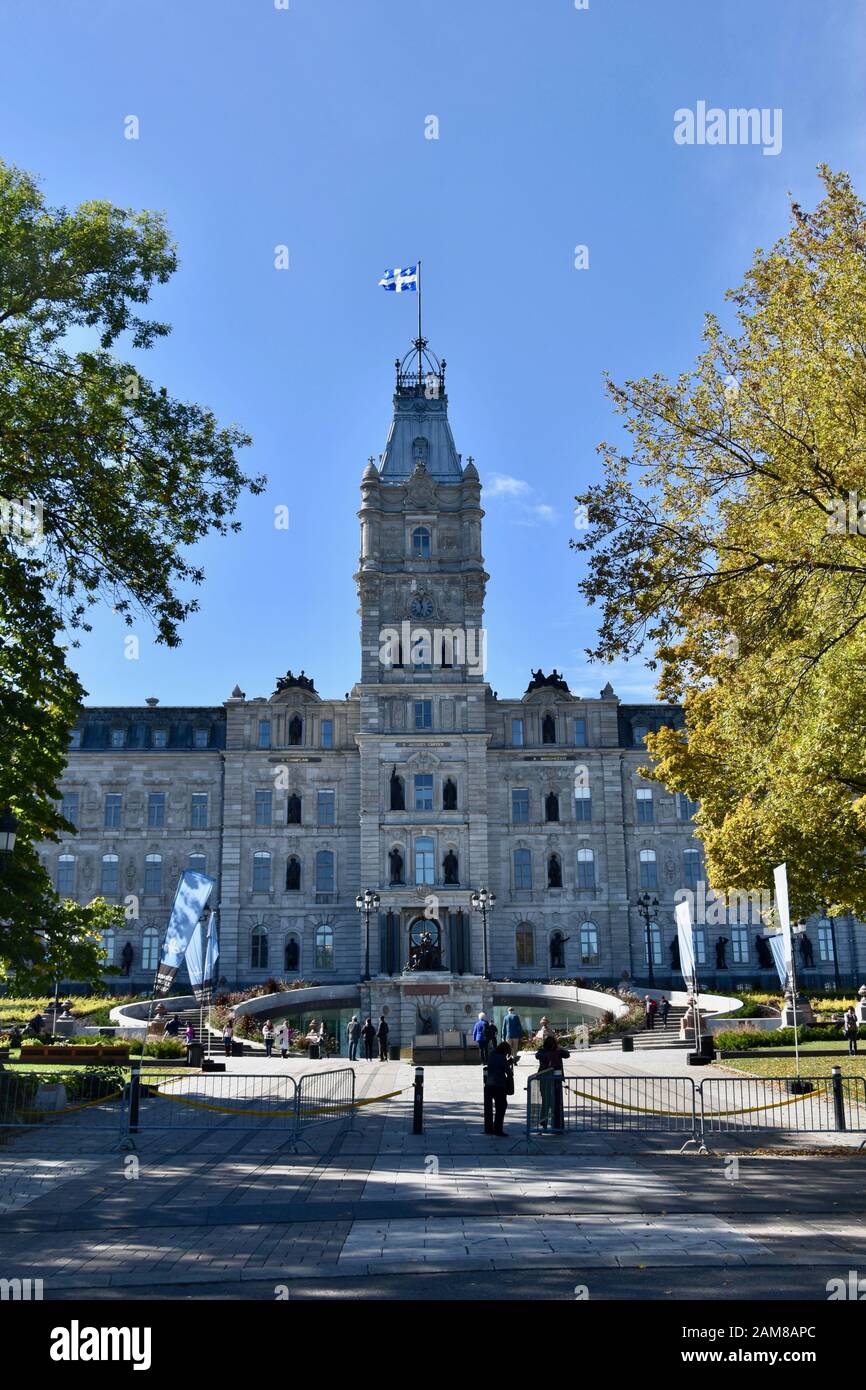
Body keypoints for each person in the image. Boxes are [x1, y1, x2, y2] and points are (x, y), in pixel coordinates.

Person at [534, 1033, 571, 1132]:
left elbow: (567, 1054)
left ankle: (546, 1121)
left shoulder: (555, 1052)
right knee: (552, 1101)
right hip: (549, 1079)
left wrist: (557, 1051)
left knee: (547, 1100)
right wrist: (553, 1053)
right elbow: (538, 1056)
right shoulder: (547, 1052)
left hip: (548, 1079)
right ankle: (549, 1121)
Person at [484, 1041, 514, 1136]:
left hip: (489, 1084)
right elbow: (508, 1072)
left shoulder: (492, 1054)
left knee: (489, 1108)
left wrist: (507, 1062)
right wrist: (510, 1064)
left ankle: (489, 1128)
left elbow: (496, 1065)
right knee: (501, 1107)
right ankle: (498, 1129)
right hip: (499, 1085)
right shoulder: (502, 1057)